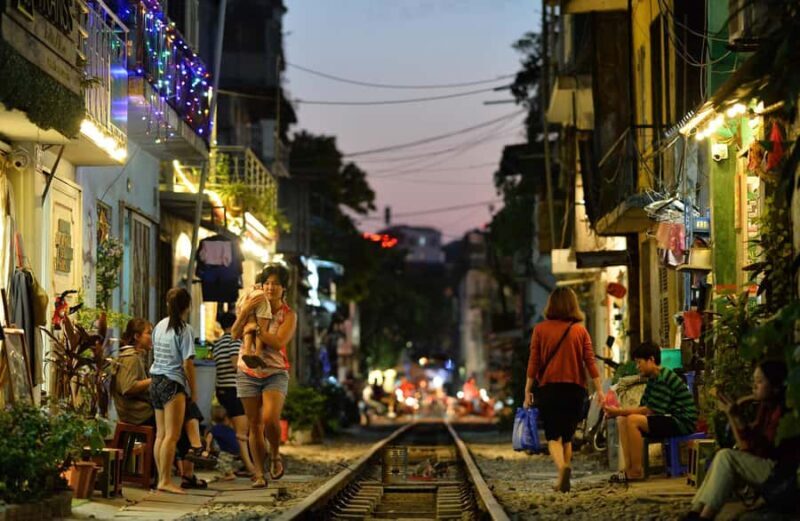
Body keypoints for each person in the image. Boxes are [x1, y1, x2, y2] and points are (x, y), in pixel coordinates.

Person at [683, 361, 800, 520]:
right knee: (722, 456)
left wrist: (735, 416)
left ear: (776, 385)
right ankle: (695, 512)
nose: (754, 386)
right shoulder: (765, 406)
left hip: (780, 474)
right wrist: (733, 414)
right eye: (754, 381)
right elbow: (744, 444)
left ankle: (704, 516)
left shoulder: (783, 410)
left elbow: (754, 448)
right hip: (768, 466)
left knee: (726, 457)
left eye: (759, 381)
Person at [523, 287, 604, 493]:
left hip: (549, 390)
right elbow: (590, 362)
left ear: (551, 304)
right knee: (567, 437)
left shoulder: (540, 330)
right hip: (575, 390)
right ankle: (563, 477)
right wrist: (600, 390)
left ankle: (562, 469)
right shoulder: (580, 330)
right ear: (572, 305)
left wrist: (527, 390)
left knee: (552, 438)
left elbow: (534, 362)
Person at [232, 264, 297, 489]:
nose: (271, 287)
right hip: (247, 372)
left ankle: (276, 454)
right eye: (268, 283)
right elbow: (234, 333)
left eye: (276, 284)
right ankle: (259, 473)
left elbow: (278, 342)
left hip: (275, 372)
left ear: (283, 288)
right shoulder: (252, 304)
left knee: (270, 418)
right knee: (254, 424)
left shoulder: (288, 315)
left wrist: (257, 330)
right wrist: (245, 314)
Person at [604, 341, 697, 483]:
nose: (637, 366)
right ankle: (628, 468)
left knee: (632, 420)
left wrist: (618, 411)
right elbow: (645, 407)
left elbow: (650, 410)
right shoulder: (653, 379)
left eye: (639, 362)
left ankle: (637, 470)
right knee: (623, 420)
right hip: (668, 418)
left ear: (651, 359)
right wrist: (620, 414)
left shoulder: (664, 377)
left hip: (681, 421)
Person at [150, 287, 203, 494]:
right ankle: (165, 480)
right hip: (173, 384)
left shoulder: (160, 326)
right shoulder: (185, 329)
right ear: (187, 307)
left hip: (155, 382)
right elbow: (188, 363)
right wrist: (194, 390)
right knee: (172, 436)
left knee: (161, 435)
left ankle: (161, 479)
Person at [212, 312, 256, 476]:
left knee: (234, 431)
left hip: (222, 390)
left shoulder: (218, 344)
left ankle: (229, 467)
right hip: (234, 390)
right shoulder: (234, 341)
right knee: (242, 433)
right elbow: (234, 365)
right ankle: (251, 468)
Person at [112, 318, 154, 426]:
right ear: (137, 336)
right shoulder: (131, 357)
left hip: (137, 411)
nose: (152, 337)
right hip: (137, 413)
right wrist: (154, 380)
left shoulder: (134, 355)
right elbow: (129, 387)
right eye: (149, 333)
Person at [235, 278, 272, 369]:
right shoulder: (261, 292)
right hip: (257, 301)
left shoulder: (248, 291)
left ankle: (247, 352)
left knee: (249, 327)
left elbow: (240, 306)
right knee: (259, 328)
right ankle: (258, 354)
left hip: (245, 303)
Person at [205, 406, 242, 481]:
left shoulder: (216, 428)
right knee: (228, 460)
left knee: (220, 462)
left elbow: (209, 436)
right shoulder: (230, 427)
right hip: (236, 449)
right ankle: (233, 469)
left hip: (227, 450)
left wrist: (208, 446)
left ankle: (230, 474)